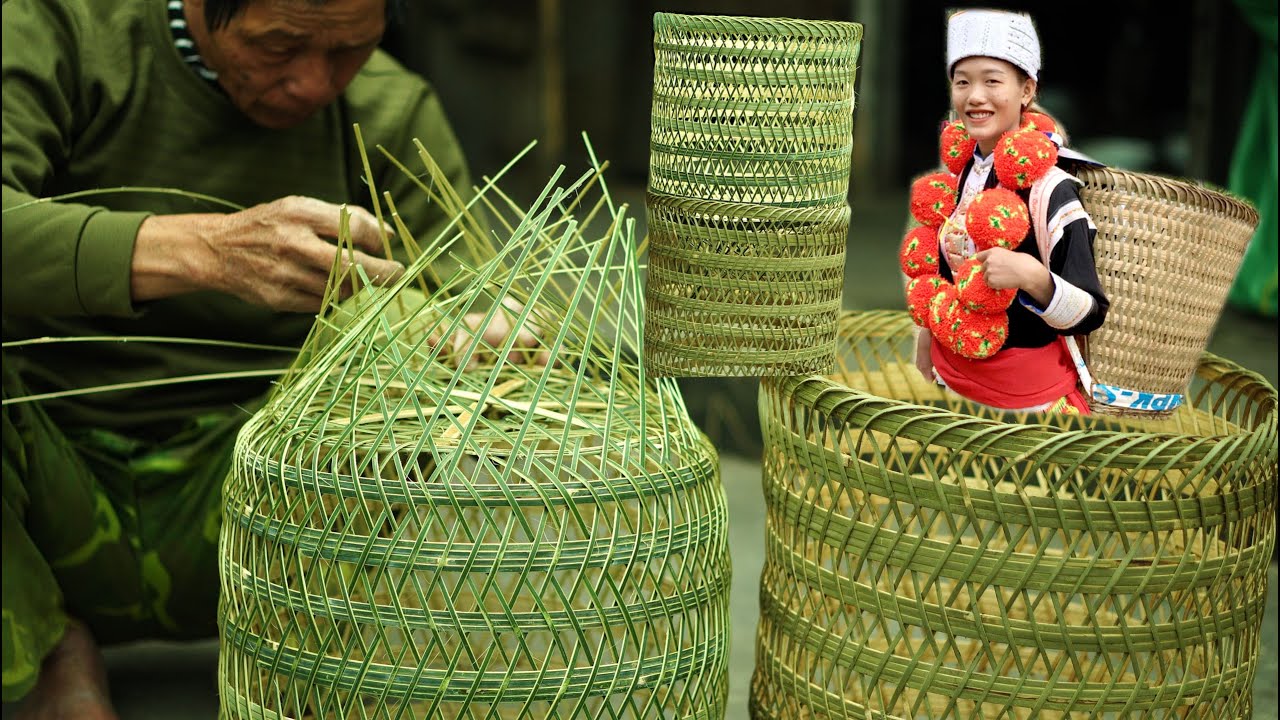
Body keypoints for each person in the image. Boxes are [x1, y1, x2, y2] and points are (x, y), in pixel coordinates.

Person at [2, 0, 495, 716]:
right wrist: (205, 249)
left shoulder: (391, 105)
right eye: (279, 45)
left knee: (400, 332)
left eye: (350, 50)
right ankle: (49, 651)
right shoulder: (62, 30)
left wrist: (490, 328)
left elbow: (474, 296)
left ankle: (298, 648)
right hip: (42, 493)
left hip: (252, 514)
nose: (314, 83)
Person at [909, 8, 1109, 414]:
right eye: (962, 82)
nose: (975, 96)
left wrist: (1031, 275)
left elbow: (1091, 309)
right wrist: (928, 332)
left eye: (992, 81)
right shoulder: (965, 172)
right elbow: (950, 273)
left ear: (1026, 90)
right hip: (955, 380)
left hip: (1026, 403)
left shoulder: (1052, 189)